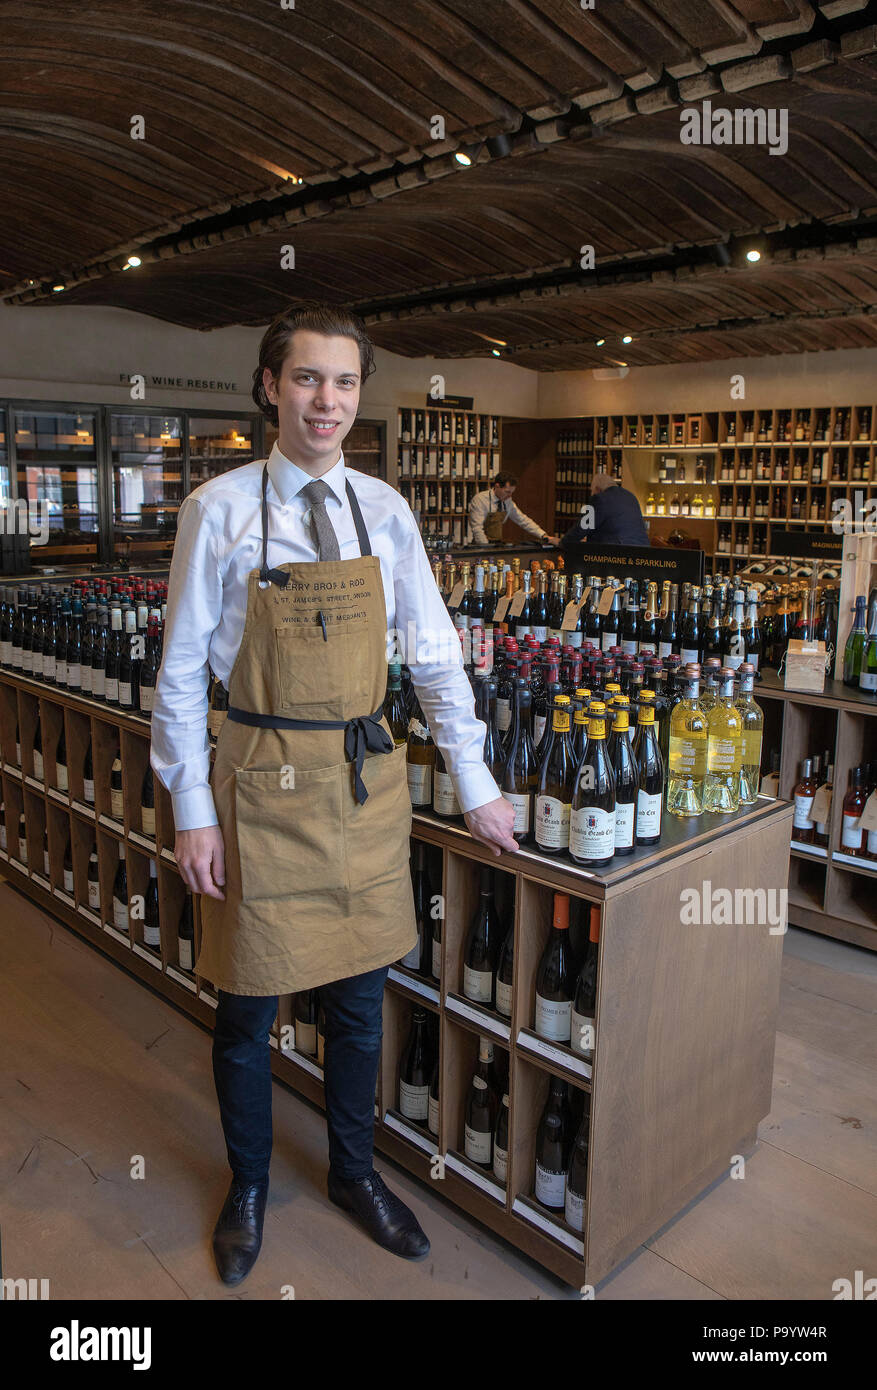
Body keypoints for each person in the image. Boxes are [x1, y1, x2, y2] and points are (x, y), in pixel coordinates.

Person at [149, 301, 517, 1286]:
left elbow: (435, 658)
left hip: (362, 784)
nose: (327, 400)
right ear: (270, 387)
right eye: (307, 378)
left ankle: (354, 1173)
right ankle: (251, 1186)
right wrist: (190, 806)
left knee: (361, 1003)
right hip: (258, 785)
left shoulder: (387, 513)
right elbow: (181, 672)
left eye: (344, 382)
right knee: (246, 1009)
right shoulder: (218, 509)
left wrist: (476, 780)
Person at [468, 473, 560, 546]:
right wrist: (486, 549)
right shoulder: (480, 500)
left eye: (512, 493)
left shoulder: (508, 501)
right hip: (480, 545)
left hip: (496, 544)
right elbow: (477, 529)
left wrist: (543, 535)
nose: (509, 495)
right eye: (507, 492)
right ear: (497, 486)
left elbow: (523, 520)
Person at [561, 471, 649, 547]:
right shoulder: (630, 496)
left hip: (615, 555)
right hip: (641, 552)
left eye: (592, 491)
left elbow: (581, 529)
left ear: (598, 489)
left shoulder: (599, 498)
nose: (592, 494)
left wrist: (562, 543)